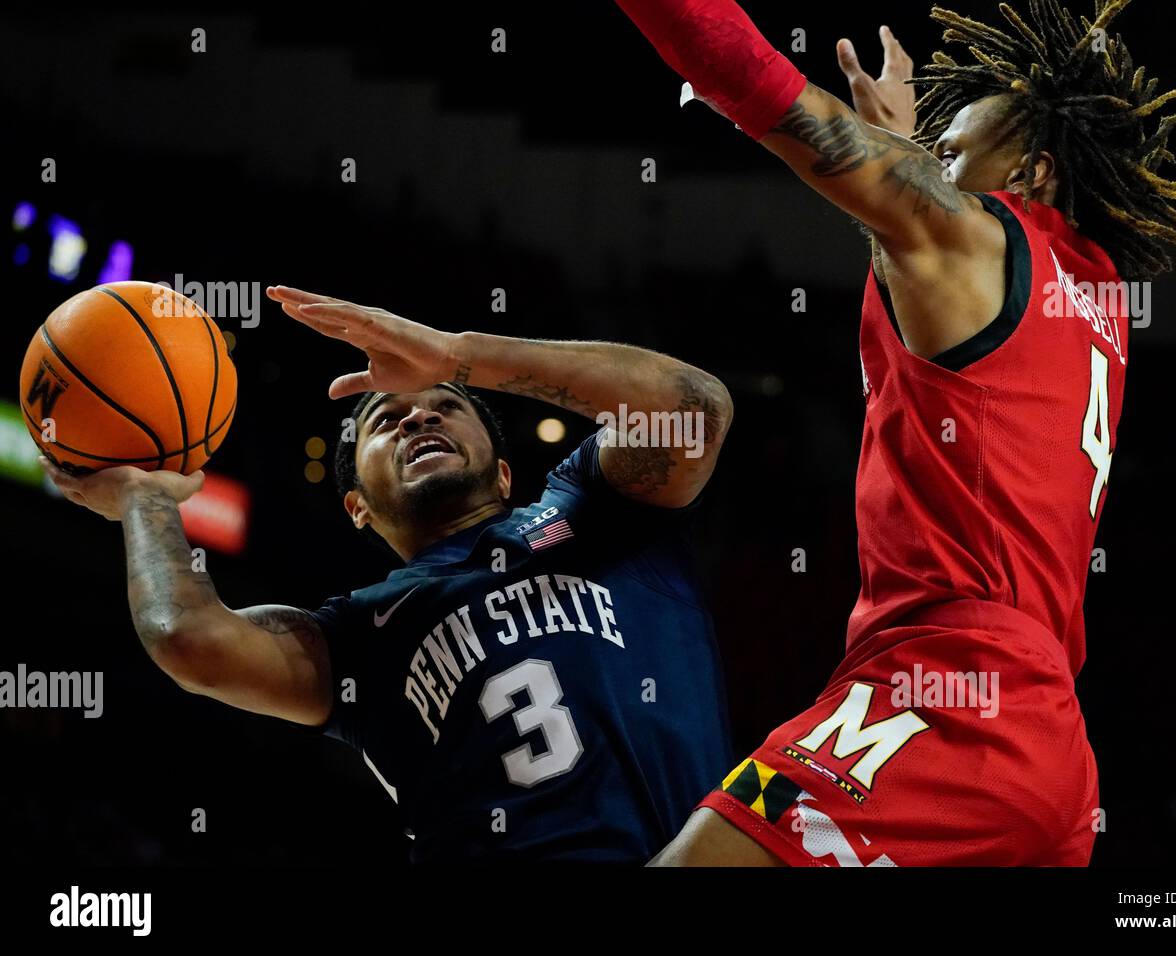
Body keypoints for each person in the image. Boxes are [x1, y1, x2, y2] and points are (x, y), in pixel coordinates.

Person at [611, 0, 1176, 865]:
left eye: (952, 152)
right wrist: (907, 170)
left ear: (1028, 172)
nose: (935, 170)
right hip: (1051, 748)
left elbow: (760, 86)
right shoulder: (1092, 296)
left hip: (943, 701)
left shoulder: (977, 239)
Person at [41, 284, 735, 863]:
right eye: (385, 420)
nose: (417, 418)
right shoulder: (358, 635)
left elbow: (695, 411)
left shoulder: (595, 510)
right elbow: (188, 638)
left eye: (446, 406)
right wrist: (146, 497)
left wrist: (456, 356)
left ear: (502, 471)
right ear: (357, 508)